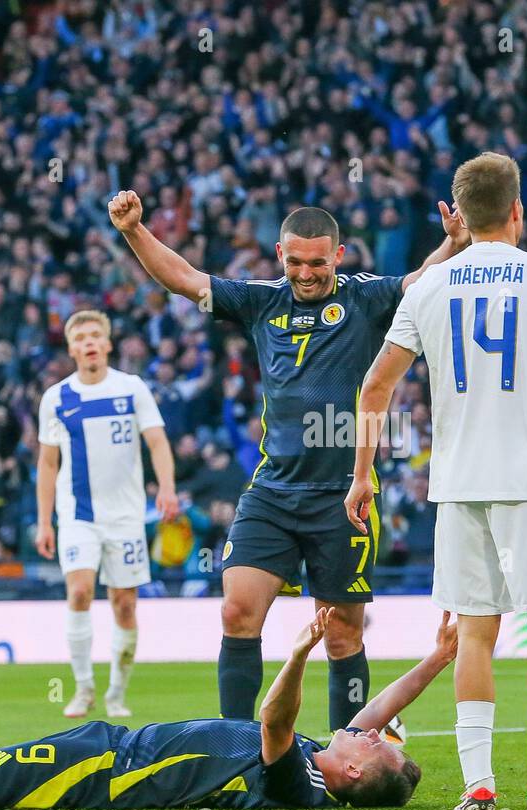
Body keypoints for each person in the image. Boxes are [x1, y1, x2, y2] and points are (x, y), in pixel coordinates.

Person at [108, 189, 468, 734]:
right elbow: (186, 280)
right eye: (294, 261)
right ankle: (233, 746)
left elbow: (422, 281)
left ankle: (345, 748)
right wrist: (134, 230)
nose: (305, 273)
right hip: (273, 492)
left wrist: (453, 243)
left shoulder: (366, 299)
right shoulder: (261, 301)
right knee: (236, 613)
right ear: (280, 253)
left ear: (339, 256)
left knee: (343, 633)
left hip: (342, 495)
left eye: (317, 263)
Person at [346, 152, 527, 810]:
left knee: (475, 630)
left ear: (461, 215)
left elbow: (376, 386)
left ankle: (477, 787)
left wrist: (361, 474)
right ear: (518, 210)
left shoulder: (428, 287)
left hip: (458, 482)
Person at [0, 608, 457, 810]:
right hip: (113, 744)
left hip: (103, 776)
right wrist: (439, 658)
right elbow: (384, 706)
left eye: (374, 742)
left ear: (358, 772)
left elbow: (271, 719)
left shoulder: (298, 786)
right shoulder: (326, 760)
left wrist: (300, 652)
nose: (367, 729)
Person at [36, 310, 180, 719]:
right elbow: (47, 464)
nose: (89, 343)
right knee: (79, 591)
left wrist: (167, 488)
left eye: (96, 335)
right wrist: (45, 521)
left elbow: (157, 442)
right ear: (71, 348)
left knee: (124, 604)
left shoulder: (132, 389)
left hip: (127, 517)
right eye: (81, 338)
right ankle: (83, 689)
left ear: (108, 343)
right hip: (78, 514)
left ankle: (116, 693)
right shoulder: (56, 398)